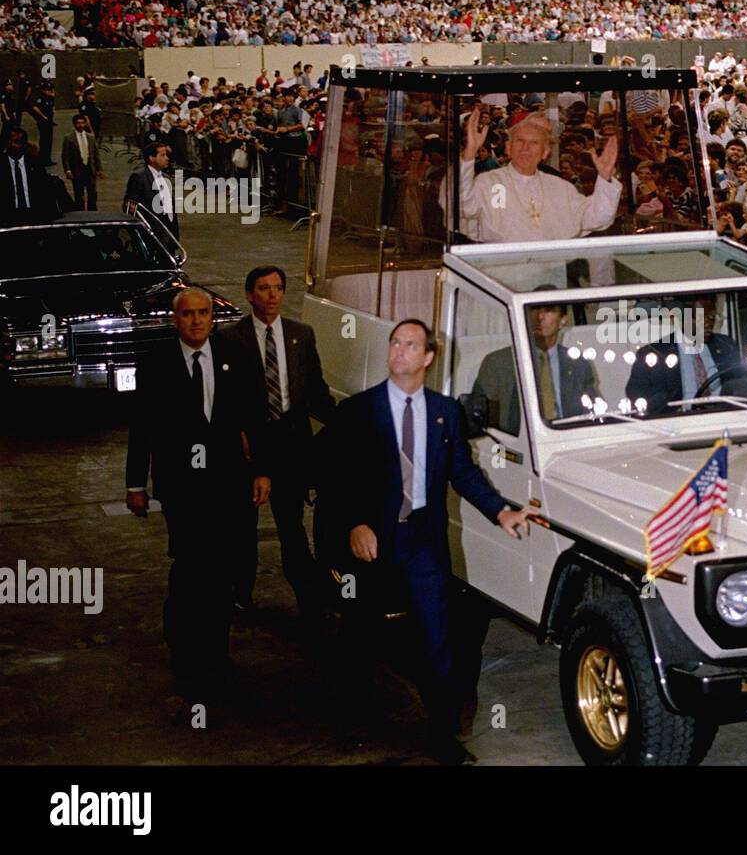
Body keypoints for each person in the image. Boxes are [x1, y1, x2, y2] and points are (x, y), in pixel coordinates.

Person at [325, 319, 533, 764]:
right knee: (361, 628)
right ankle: (351, 713)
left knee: (437, 636)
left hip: (423, 539)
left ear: (428, 358)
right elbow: (338, 476)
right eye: (395, 343)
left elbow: (463, 472)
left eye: (410, 345)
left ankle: (442, 735)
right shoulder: (361, 410)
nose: (399, 351)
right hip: (373, 537)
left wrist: (501, 511)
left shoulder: (445, 412)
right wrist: (356, 524)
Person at [125, 288, 271, 704]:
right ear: (176, 319)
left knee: (223, 570)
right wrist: (135, 484)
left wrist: (261, 469)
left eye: (204, 313)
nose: (196, 321)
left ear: (212, 317)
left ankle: (217, 653)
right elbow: (143, 427)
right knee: (191, 569)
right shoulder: (156, 364)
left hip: (227, 483)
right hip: (182, 488)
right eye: (188, 314)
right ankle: (185, 652)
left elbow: (252, 416)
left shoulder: (234, 357)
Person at [218, 266, 336, 620]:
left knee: (292, 527)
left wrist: (348, 423)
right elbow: (222, 400)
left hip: (291, 444)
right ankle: (239, 596)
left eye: (278, 288)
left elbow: (316, 391)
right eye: (264, 288)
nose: (272, 295)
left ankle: (310, 601)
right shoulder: (228, 340)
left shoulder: (301, 335)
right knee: (242, 528)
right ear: (249, 294)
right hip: (248, 445)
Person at [459, 106, 620, 242]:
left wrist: (605, 178)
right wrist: (469, 153)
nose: (525, 148)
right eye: (520, 141)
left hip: (551, 273)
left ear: (545, 152)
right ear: (508, 147)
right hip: (498, 272)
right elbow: (466, 207)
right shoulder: (489, 182)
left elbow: (597, 218)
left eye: (534, 143)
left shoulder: (560, 188)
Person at [472, 297, 598, 433]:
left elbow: (592, 413)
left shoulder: (577, 363)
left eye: (549, 310)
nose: (540, 316)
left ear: (563, 320)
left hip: (567, 442)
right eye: (535, 309)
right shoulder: (498, 363)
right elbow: (478, 421)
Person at [625, 295, 740, 415]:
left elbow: (740, 385)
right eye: (700, 318)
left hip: (724, 417)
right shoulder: (653, 353)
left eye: (711, 317)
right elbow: (636, 396)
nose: (708, 323)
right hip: (679, 423)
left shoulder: (726, 346)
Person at [123, 142, 179, 239]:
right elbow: (130, 206)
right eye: (162, 155)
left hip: (168, 232)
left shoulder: (166, 178)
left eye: (166, 155)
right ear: (151, 158)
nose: (167, 158)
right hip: (150, 233)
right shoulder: (139, 177)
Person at [61, 114, 103, 211]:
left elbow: (96, 155)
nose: (80, 125)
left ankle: (92, 212)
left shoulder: (91, 137)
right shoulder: (68, 138)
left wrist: (99, 169)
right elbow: (65, 156)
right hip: (77, 170)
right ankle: (80, 212)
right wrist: (67, 170)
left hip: (89, 169)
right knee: (79, 194)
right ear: (74, 124)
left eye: (82, 123)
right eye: (78, 123)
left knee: (92, 193)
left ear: (85, 124)